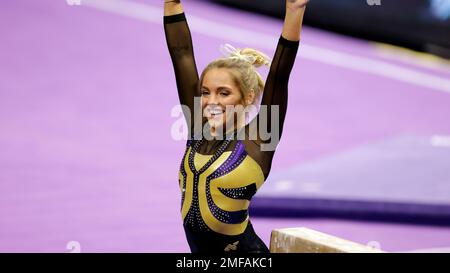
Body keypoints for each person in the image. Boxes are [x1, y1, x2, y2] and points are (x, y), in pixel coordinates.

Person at [163, 0, 308, 253]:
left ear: (248, 97)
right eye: (205, 92)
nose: (211, 101)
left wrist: (294, 10)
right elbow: (181, 53)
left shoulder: (260, 139)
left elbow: (279, 74)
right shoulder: (199, 126)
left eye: (224, 93)